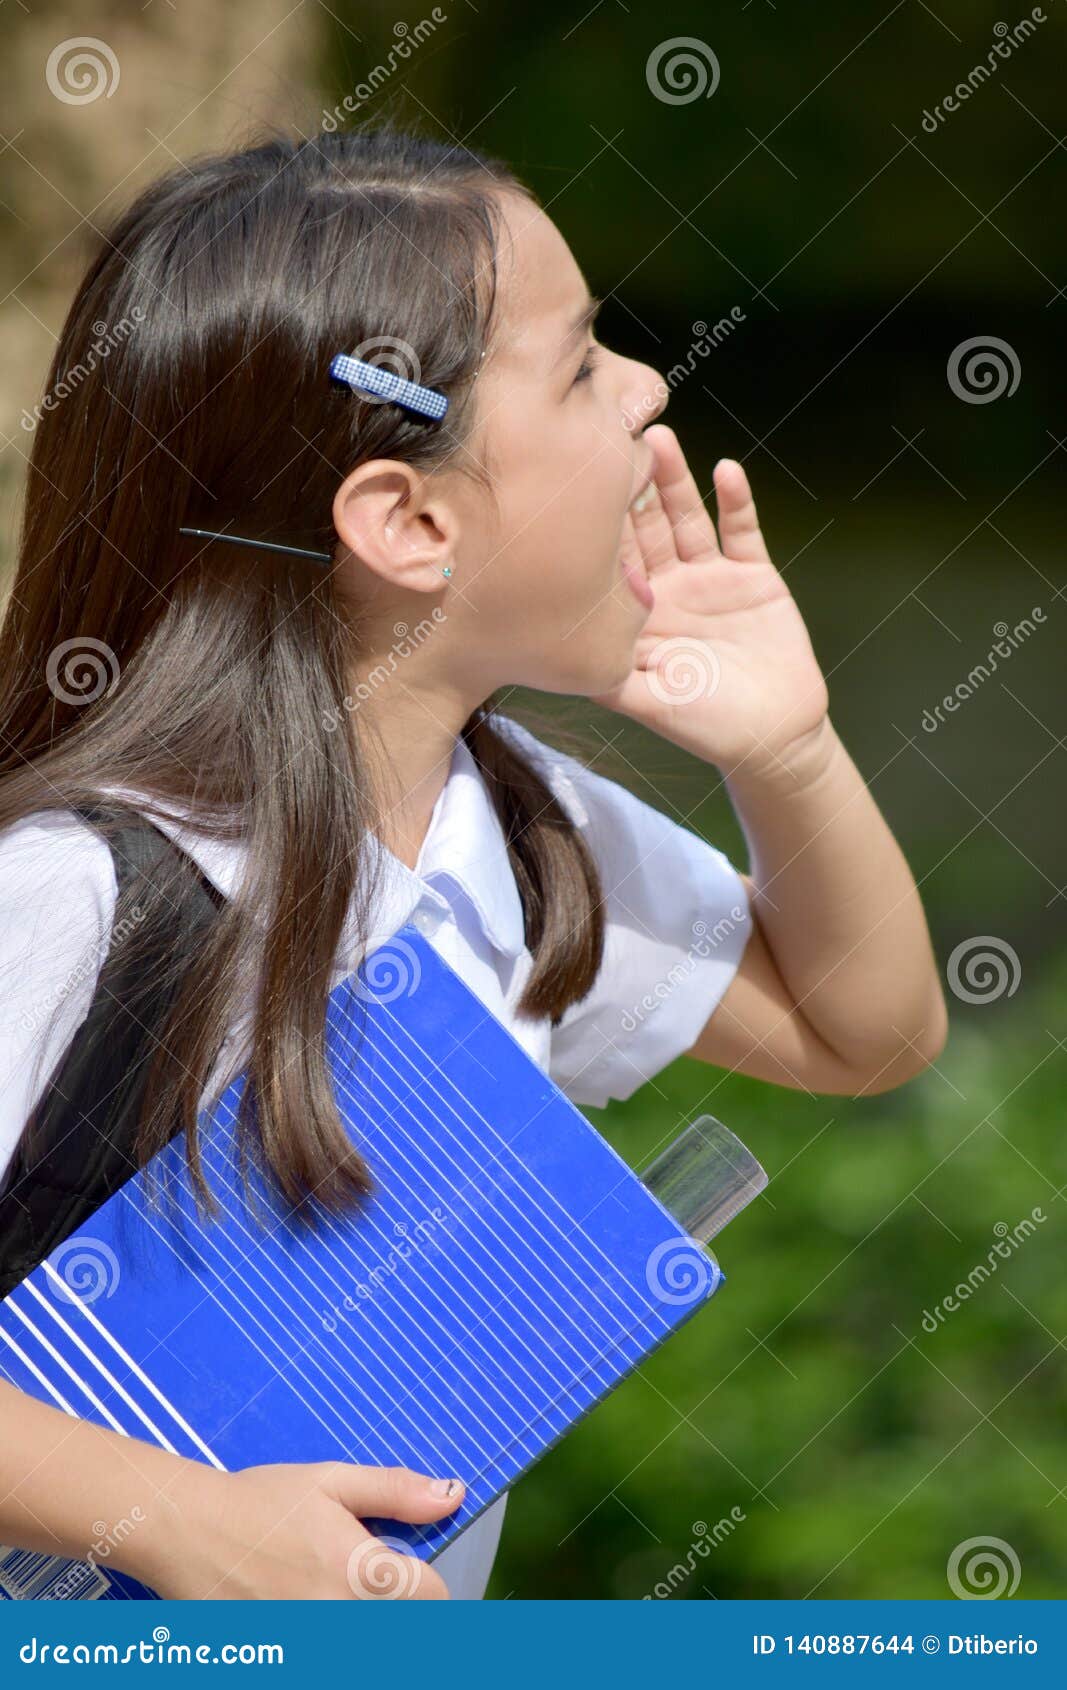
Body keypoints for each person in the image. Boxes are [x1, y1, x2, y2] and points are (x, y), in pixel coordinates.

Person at [0, 122, 947, 1601]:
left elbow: (866, 1029)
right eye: (580, 366)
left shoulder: (506, 822)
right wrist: (170, 1515)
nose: (647, 386)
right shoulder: (77, 883)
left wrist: (792, 753)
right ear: (410, 520)